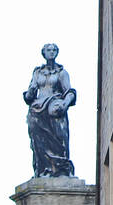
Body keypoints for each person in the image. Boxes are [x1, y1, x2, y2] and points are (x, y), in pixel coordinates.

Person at [25, 43, 77, 178]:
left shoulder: (61, 73)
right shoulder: (37, 73)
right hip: (37, 109)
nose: (51, 52)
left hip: (55, 107)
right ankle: (44, 169)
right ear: (44, 53)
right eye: (49, 50)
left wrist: (65, 104)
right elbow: (30, 93)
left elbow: (69, 92)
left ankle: (61, 169)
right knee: (39, 141)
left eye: (54, 50)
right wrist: (30, 93)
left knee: (60, 139)